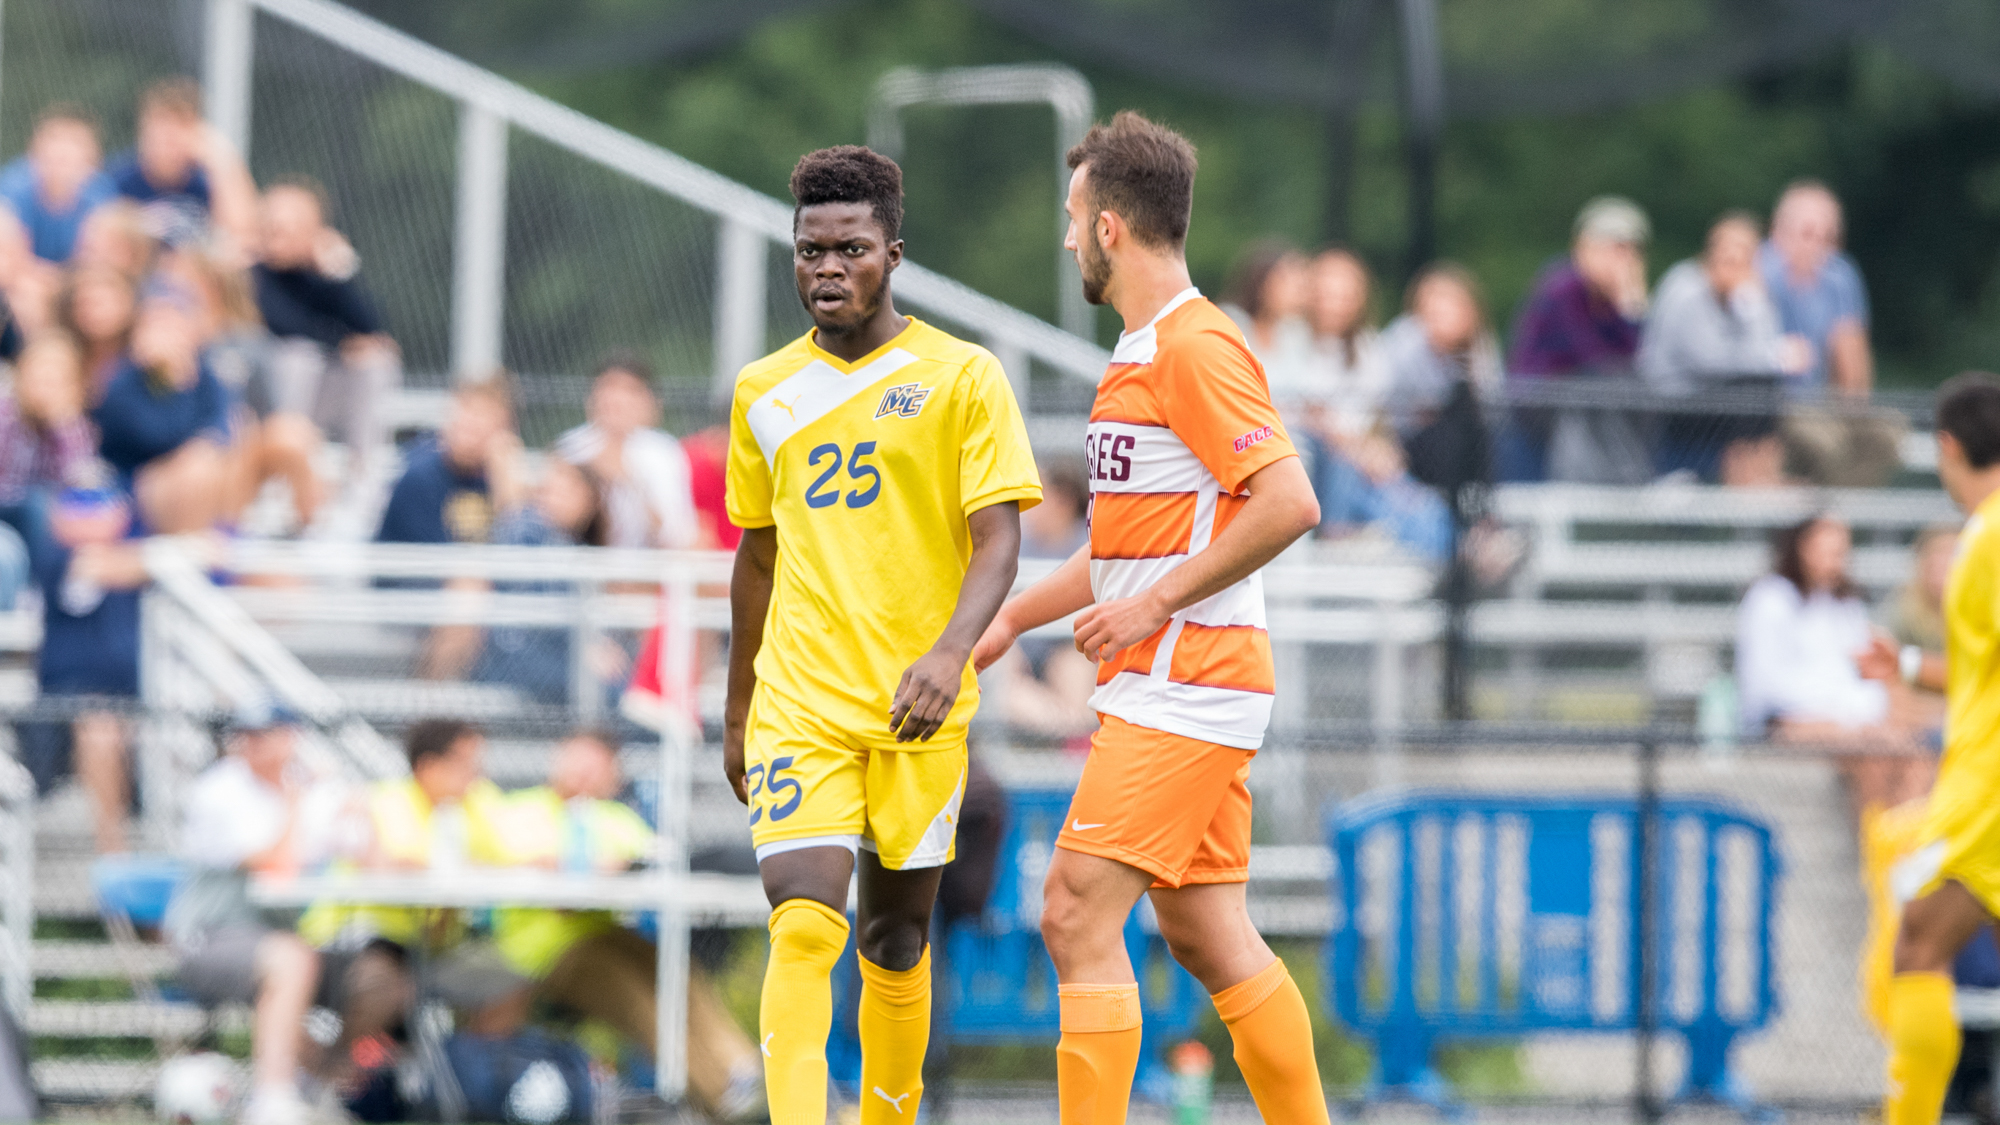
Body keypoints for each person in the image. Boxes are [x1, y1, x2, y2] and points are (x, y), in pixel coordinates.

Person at [972, 111, 1329, 1125]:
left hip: (1190, 678)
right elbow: (1118, 555)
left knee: (1073, 908)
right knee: (1207, 935)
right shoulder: (1138, 352)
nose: (1064, 234)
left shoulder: (1194, 345)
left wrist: (1155, 606)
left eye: (1071, 215)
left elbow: (1289, 501)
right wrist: (1004, 623)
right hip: (1174, 678)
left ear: (1111, 229)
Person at [724, 145, 1039, 1125]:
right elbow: (756, 561)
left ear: (892, 255)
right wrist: (736, 708)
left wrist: (947, 652)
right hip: (799, 702)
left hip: (915, 708)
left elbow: (999, 538)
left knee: (895, 941)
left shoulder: (961, 378)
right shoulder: (762, 393)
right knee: (803, 924)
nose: (825, 268)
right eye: (807, 250)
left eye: (848, 249)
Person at [1850, 373, 2000, 1124]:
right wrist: (1906, 666)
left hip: (1989, 791)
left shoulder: (1991, 534)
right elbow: (1986, 670)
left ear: (1947, 447)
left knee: (1915, 944)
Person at [493, 730, 765, 1120]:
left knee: (674, 971)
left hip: (599, 935)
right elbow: (534, 871)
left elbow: (648, 860)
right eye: (578, 763)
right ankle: (719, 1096)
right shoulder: (521, 811)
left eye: (596, 768)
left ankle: (743, 1073)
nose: (585, 776)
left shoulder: (613, 818)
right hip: (543, 952)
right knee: (633, 995)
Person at [164, 704, 361, 1125]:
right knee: (290, 960)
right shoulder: (219, 790)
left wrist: (345, 797)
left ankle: (346, 1086)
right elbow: (276, 863)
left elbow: (358, 843)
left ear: (290, 738)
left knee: (378, 967)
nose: (248, 744)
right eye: (244, 735)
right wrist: (295, 799)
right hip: (209, 938)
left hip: (280, 937)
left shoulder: (311, 790)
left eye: (262, 734)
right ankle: (272, 1102)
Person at [1736, 514, 1926, 816]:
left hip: (1849, 722)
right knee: (1873, 755)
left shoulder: (1844, 605)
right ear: (1801, 549)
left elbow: (1862, 675)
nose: (1835, 560)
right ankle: (1876, 851)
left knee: (1915, 754)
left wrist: (1865, 718)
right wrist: (1846, 716)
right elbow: (1769, 686)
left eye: (1840, 552)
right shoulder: (1770, 599)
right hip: (1785, 723)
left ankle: (1901, 847)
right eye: (1826, 550)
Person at [1641, 211, 1811, 485]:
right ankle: (1748, 482)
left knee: (1765, 390)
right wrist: (1774, 357)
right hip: (1675, 401)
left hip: (1715, 399)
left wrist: (1752, 305)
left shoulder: (1746, 294)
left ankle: (1760, 477)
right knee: (1755, 392)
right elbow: (1709, 360)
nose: (1735, 263)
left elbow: (1758, 348)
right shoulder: (1686, 288)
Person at [23, 488, 147, 853]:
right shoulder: (52, 558)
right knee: (99, 728)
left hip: (136, 703)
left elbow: (204, 555)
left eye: (97, 511)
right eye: (80, 512)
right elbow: (92, 564)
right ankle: (113, 852)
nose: (89, 521)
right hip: (57, 708)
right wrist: (146, 558)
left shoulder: (133, 553)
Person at [1760, 180, 1904, 486]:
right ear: (1779, 231)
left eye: (1827, 237)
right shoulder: (1761, 271)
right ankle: (1820, 522)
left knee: (1888, 434)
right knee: (1828, 445)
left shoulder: (1839, 275)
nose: (1816, 246)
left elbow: (1851, 346)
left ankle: (1839, 516)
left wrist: (1854, 409)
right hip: (1774, 403)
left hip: (1822, 400)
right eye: (1808, 234)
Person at [252, 176, 400, 468]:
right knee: (298, 357)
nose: (279, 231)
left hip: (322, 391)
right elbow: (283, 326)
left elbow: (372, 328)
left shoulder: (324, 277)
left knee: (376, 362)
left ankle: (362, 473)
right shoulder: (253, 274)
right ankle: (289, 466)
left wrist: (340, 271)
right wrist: (342, 344)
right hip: (266, 395)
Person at [1506, 196, 1652, 483]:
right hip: (1539, 396)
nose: (1623, 262)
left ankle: (1630, 481)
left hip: (1590, 395)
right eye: (1615, 250)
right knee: (1603, 386)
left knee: (1628, 387)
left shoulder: (1613, 299)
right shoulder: (1562, 287)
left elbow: (1635, 358)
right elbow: (1588, 355)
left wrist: (1632, 308)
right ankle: (1620, 482)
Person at [468, 454, 615, 705]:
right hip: (517, 658)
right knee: (612, 693)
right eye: (549, 491)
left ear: (590, 501)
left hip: (553, 656)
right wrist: (588, 645)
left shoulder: (573, 543)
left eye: (565, 492)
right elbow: (544, 608)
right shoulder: (525, 529)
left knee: (619, 682)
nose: (551, 499)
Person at [90, 281, 234, 534]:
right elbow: (156, 438)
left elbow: (222, 425)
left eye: (172, 326)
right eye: (155, 325)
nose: (164, 335)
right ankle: (187, 555)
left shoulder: (205, 374)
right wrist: (178, 384)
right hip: (134, 480)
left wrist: (204, 448)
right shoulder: (122, 380)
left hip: (200, 474)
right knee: (195, 470)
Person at [993, 458, 1097, 739]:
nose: (1030, 508)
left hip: (1065, 648)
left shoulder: (1085, 541)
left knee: (1074, 667)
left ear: (1063, 501)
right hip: (1021, 650)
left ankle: (1071, 745)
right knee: (1009, 681)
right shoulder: (1019, 540)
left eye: (1041, 495)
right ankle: (1061, 737)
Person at [553, 352, 698, 550]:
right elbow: (553, 523)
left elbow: (679, 535)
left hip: (643, 570)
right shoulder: (571, 448)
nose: (616, 399)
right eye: (608, 387)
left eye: (629, 390)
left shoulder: (663, 453)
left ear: (647, 401)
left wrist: (629, 481)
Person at [104, 77, 258, 255]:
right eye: (161, 126)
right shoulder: (118, 179)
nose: (167, 139)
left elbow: (244, 235)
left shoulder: (205, 180)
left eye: (178, 127)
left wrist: (220, 162)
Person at [375, 378, 512, 548]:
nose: (470, 424)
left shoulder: (493, 478)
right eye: (466, 412)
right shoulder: (419, 476)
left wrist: (507, 491)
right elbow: (444, 567)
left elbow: (514, 554)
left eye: (481, 418)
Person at [0, 334, 98, 548]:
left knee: (42, 505)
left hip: (45, 512)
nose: (42, 391)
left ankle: (41, 579)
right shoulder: (6, 414)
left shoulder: (74, 428)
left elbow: (77, 478)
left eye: (52, 383)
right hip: (5, 500)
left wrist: (61, 426)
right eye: (36, 381)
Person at [0, 105, 115, 263]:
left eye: (75, 141)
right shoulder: (12, 187)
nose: (62, 149)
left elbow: (100, 259)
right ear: (35, 146)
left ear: (93, 153)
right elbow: (8, 259)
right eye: (54, 138)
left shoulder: (100, 193)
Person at [1222, 240, 1311, 394]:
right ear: (1262, 281)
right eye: (1287, 281)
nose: (1297, 291)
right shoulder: (1230, 323)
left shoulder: (1294, 331)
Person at [53, 264, 138, 400]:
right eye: (84, 304)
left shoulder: (137, 361)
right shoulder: (63, 356)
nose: (93, 313)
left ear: (127, 305)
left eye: (101, 304)